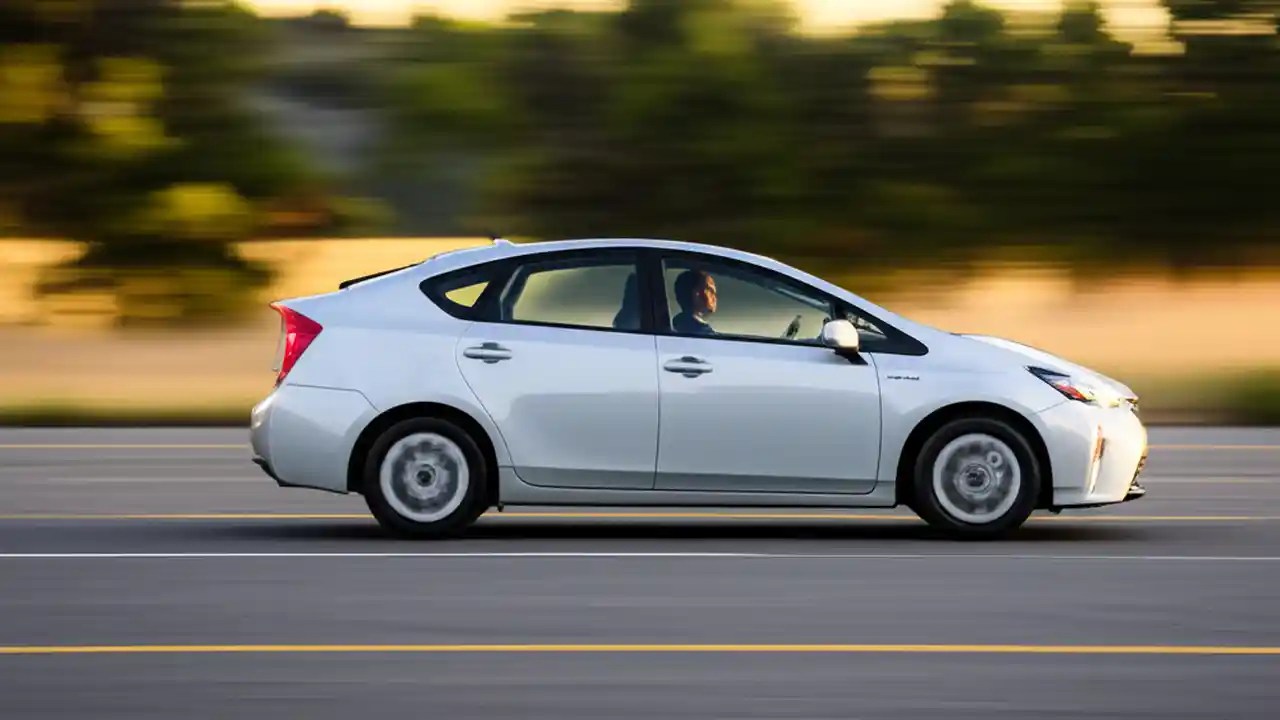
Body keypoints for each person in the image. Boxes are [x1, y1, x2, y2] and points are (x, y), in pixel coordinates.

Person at [672, 269, 717, 335]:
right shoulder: (702, 333)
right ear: (697, 294)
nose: (714, 296)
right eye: (710, 290)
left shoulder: (676, 326)